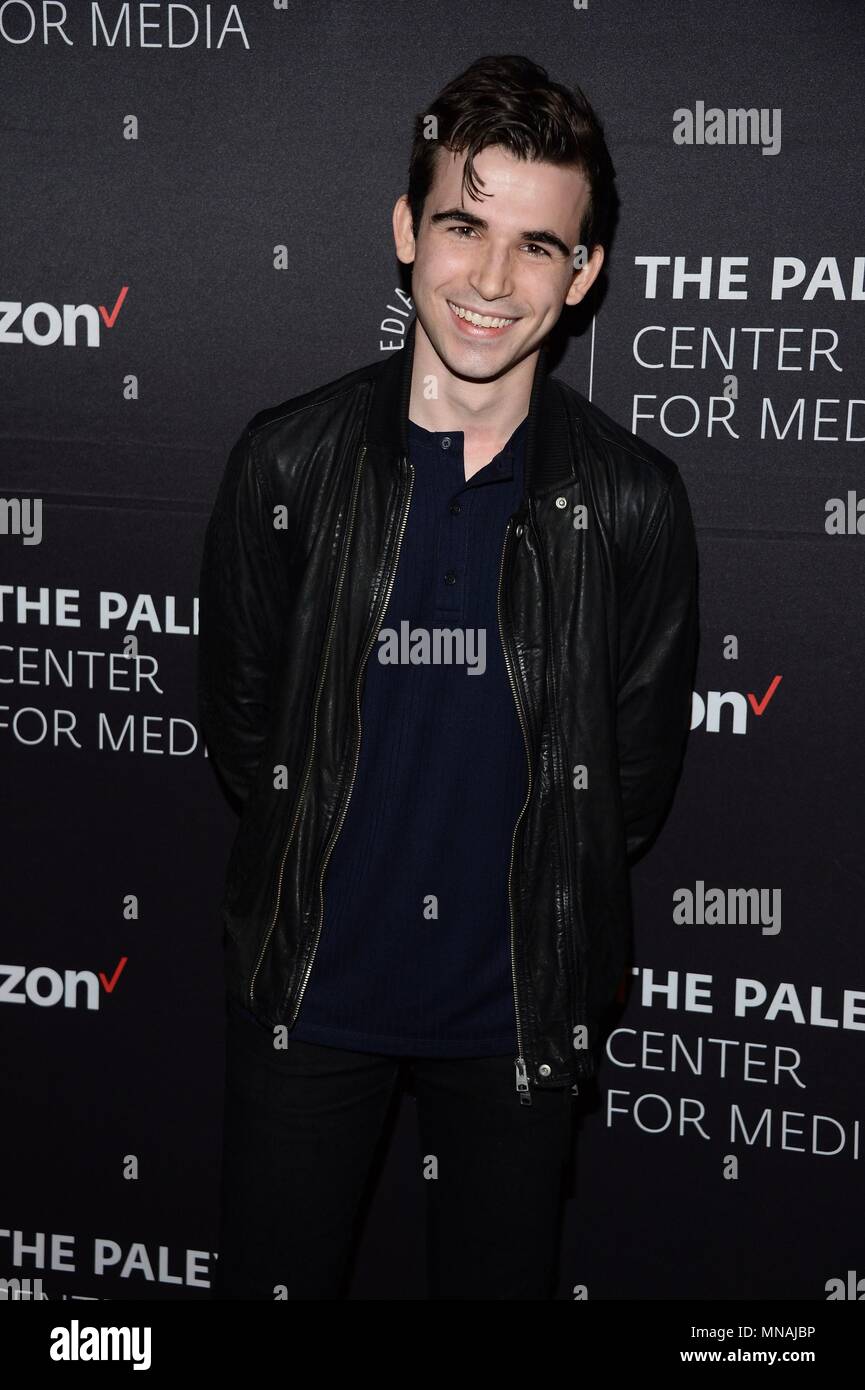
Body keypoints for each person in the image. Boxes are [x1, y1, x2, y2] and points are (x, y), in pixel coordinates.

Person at [198, 53, 699, 1300]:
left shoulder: (631, 502)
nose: (489, 280)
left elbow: (625, 791)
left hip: (518, 1022)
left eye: (537, 245)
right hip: (308, 1000)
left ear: (583, 276)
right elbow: (243, 735)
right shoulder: (288, 463)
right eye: (463, 224)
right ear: (404, 229)